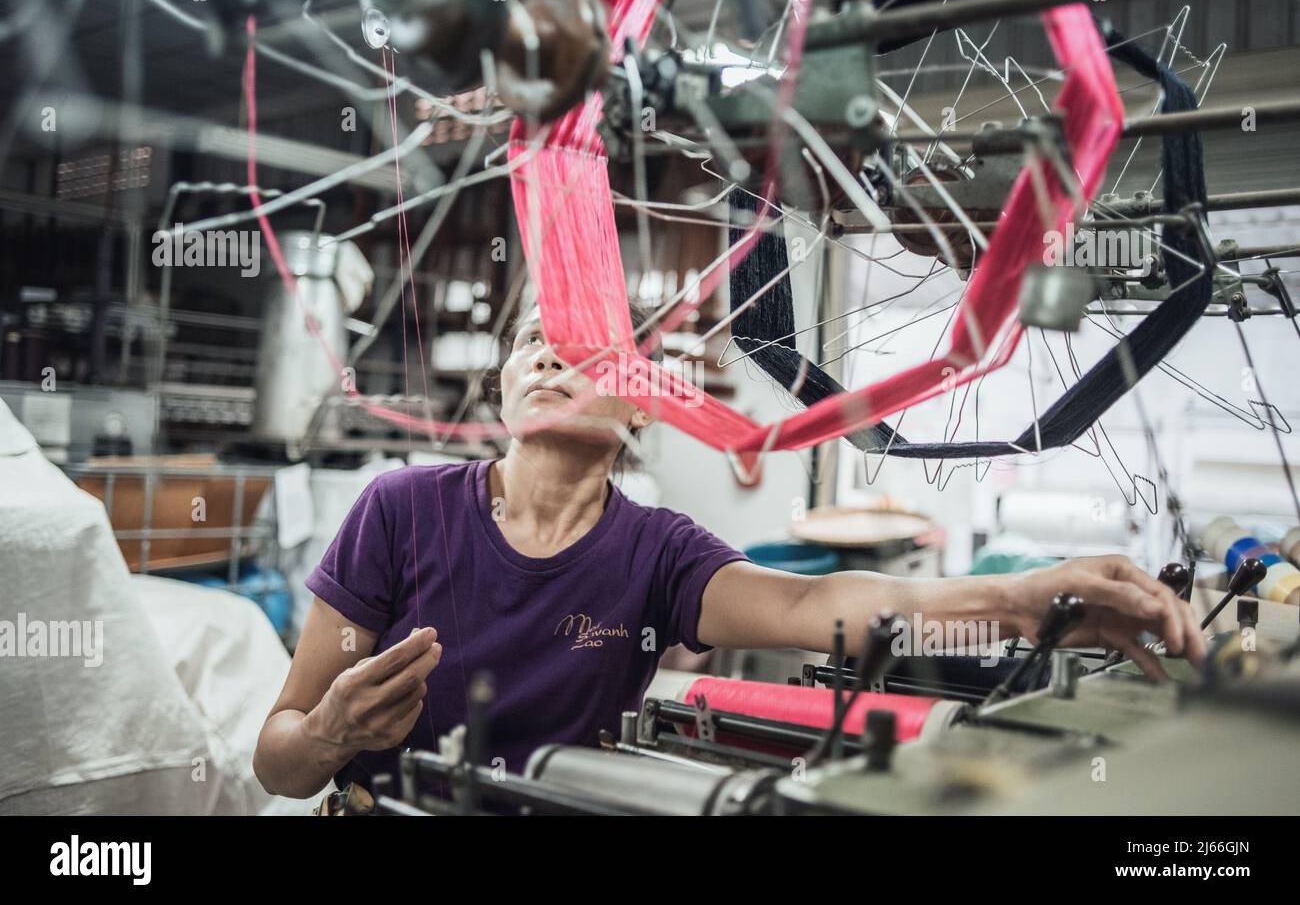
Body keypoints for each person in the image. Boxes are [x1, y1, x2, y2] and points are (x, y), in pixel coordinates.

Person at [253, 305, 1205, 799]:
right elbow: (276, 761)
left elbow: (808, 605)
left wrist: (1017, 599)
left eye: (582, 344)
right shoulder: (398, 510)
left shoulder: (655, 552)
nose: (548, 353)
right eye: (532, 341)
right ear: (504, 389)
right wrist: (333, 730)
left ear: (639, 406)